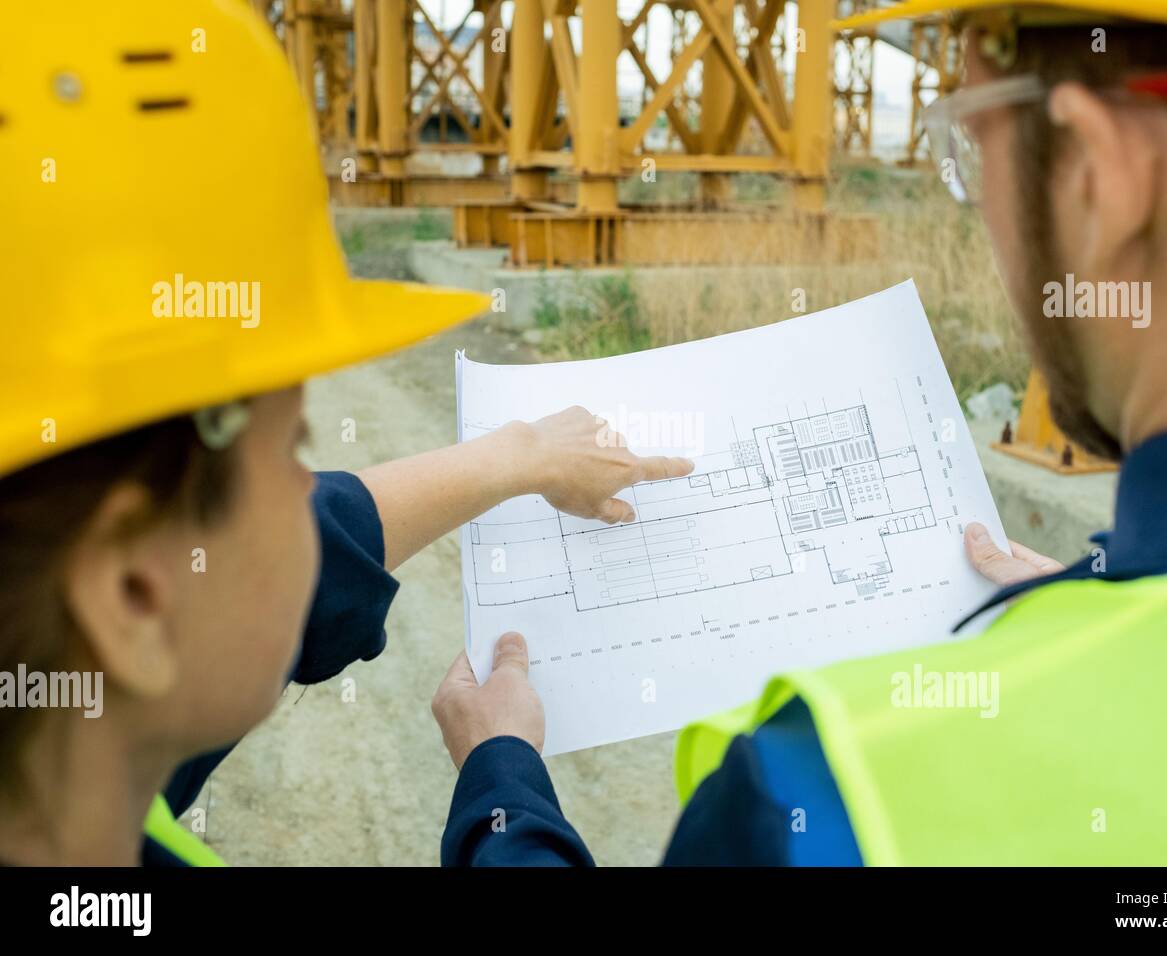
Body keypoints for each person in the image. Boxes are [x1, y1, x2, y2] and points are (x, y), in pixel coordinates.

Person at [431, 0, 1167, 865]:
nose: (976, 208)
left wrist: (499, 788)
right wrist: (1110, 616)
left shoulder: (831, 788)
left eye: (968, 147)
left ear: (1101, 176)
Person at [0, 0, 690, 866]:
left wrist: (517, 459)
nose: (312, 490)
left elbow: (274, 556)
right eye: (293, 454)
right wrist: (505, 786)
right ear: (134, 596)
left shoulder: (68, 754)